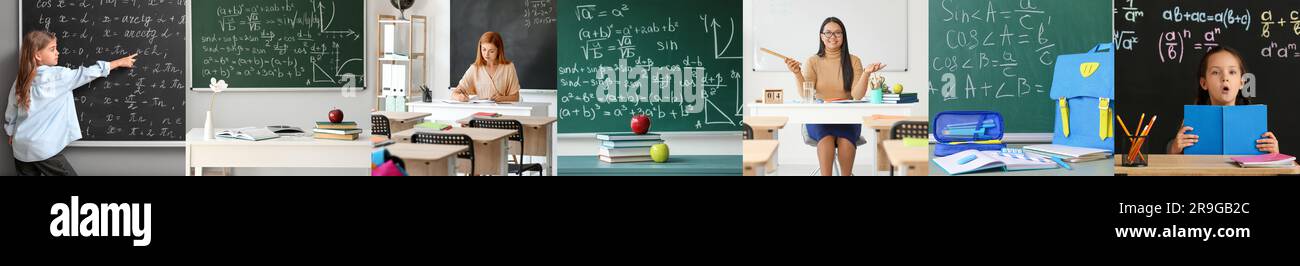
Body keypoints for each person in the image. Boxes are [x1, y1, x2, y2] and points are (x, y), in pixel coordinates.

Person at [6, 30, 138, 176]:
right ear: (38, 55)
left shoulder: (20, 79)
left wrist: (11, 131)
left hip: (20, 147)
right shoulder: (59, 76)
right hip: (43, 149)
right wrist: (119, 62)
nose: (58, 52)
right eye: (52, 49)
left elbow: (12, 109)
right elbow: (87, 73)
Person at [782, 17, 885, 176]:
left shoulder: (854, 60)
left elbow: (857, 96)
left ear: (843, 36)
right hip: (819, 117)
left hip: (848, 118)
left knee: (845, 140)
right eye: (828, 33)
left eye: (838, 33)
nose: (833, 37)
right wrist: (797, 73)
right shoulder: (812, 61)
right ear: (821, 36)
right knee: (826, 138)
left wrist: (866, 73)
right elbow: (805, 95)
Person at [452, 32, 521, 103]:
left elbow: (516, 97)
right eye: (484, 49)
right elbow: (455, 93)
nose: (486, 54)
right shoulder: (475, 68)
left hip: (503, 111)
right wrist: (460, 97)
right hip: (481, 111)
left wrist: (502, 98)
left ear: (499, 51)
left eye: (491, 51)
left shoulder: (508, 67)